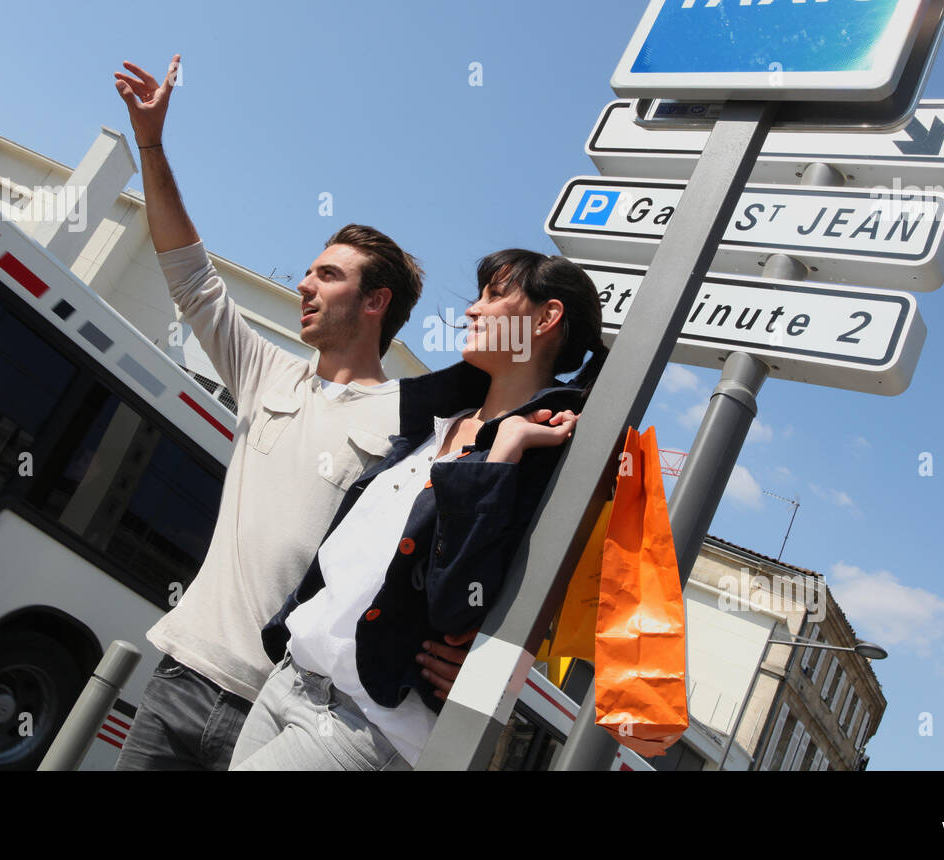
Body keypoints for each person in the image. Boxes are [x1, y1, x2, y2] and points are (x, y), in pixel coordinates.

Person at [111, 56, 471, 770]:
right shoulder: (263, 373)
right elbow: (188, 271)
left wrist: (464, 656)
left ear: (376, 304)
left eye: (328, 275)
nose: (304, 283)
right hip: (179, 680)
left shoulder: (414, 430)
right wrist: (151, 144)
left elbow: (445, 562)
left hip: (291, 716)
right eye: (309, 270)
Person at [228, 248, 607, 770]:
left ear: (547, 318)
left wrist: (501, 453)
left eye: (496, 296)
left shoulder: (543, 455)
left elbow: (458, 602)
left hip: (369, 722)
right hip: (292, 676)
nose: (473, 310)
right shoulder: (433, 422)